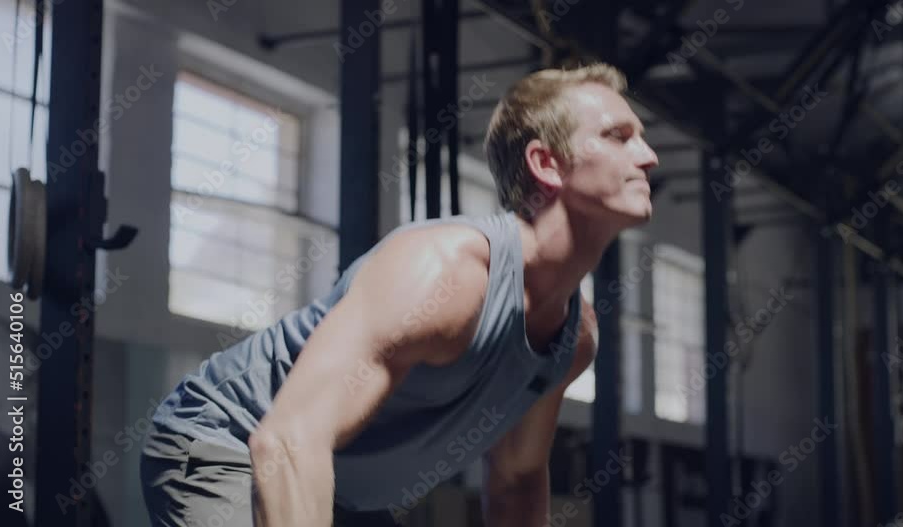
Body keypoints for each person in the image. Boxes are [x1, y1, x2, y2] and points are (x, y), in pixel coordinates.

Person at [140, 62, 658, 527]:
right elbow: (288, 440)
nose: (650, 156)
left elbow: (516, 480)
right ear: (547, 164)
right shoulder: (444, 274)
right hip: (229, 439)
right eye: (619, 136)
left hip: (343, 487)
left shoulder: (574, 338)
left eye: (642, 137)